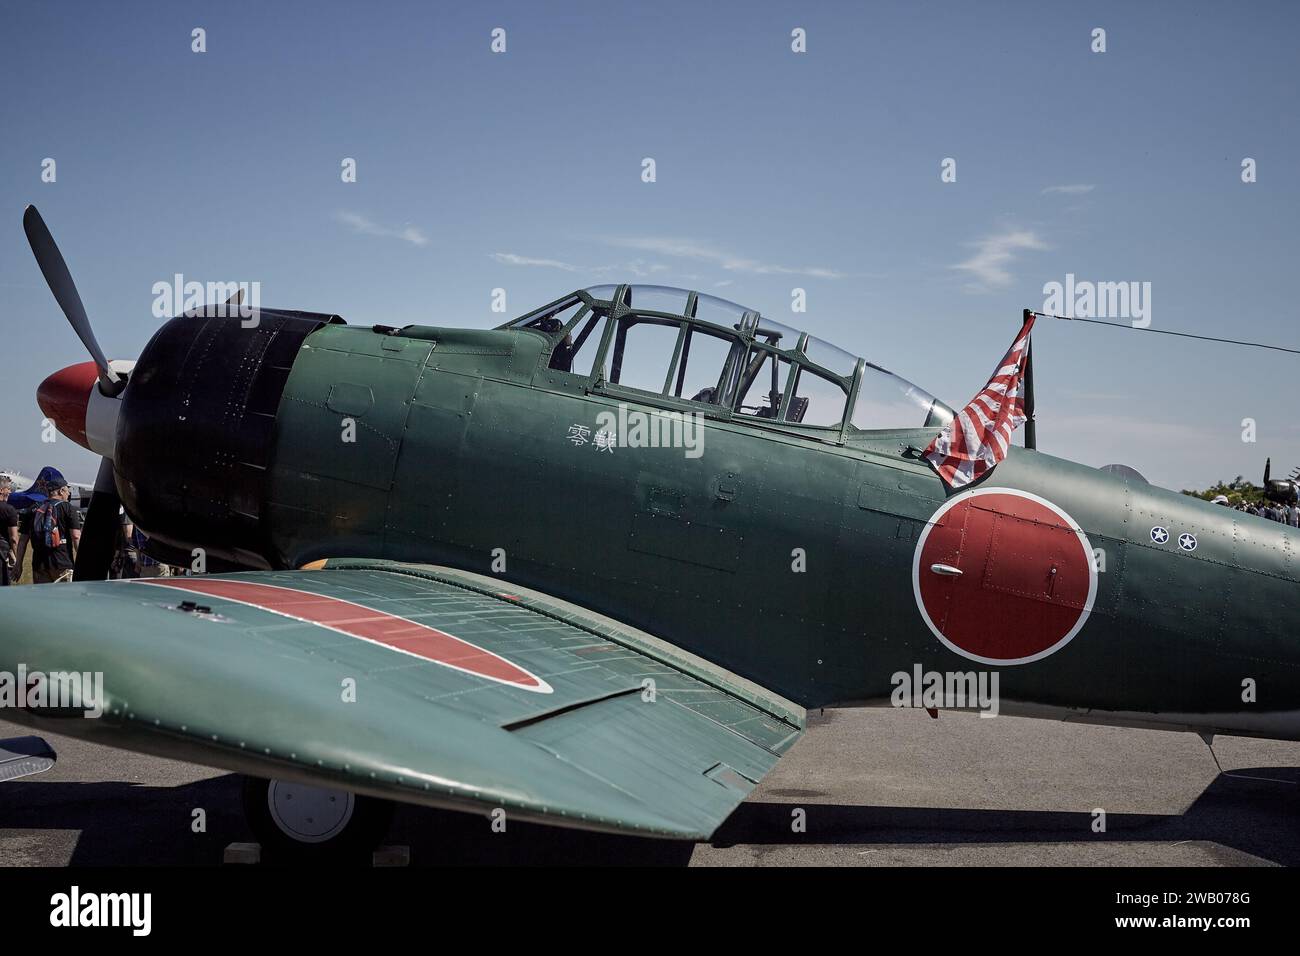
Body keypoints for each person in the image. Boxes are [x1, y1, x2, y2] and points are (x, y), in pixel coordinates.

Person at [14, 478, 82, 584]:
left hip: (39, 565)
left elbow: (23, 540)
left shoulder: (33, 509)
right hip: (62, 563)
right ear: (61, 491)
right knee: (64, 599)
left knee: (43, 599)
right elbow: (76, 537)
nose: (69, 494)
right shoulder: (68, 508)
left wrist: (18, 564)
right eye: (67, 490)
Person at [0, 476, 19, 586]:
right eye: (8, 488)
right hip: (2, 555)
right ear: (1, 490)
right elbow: (14, 538)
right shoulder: (9, 510)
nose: (10, 491)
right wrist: (17, 559)